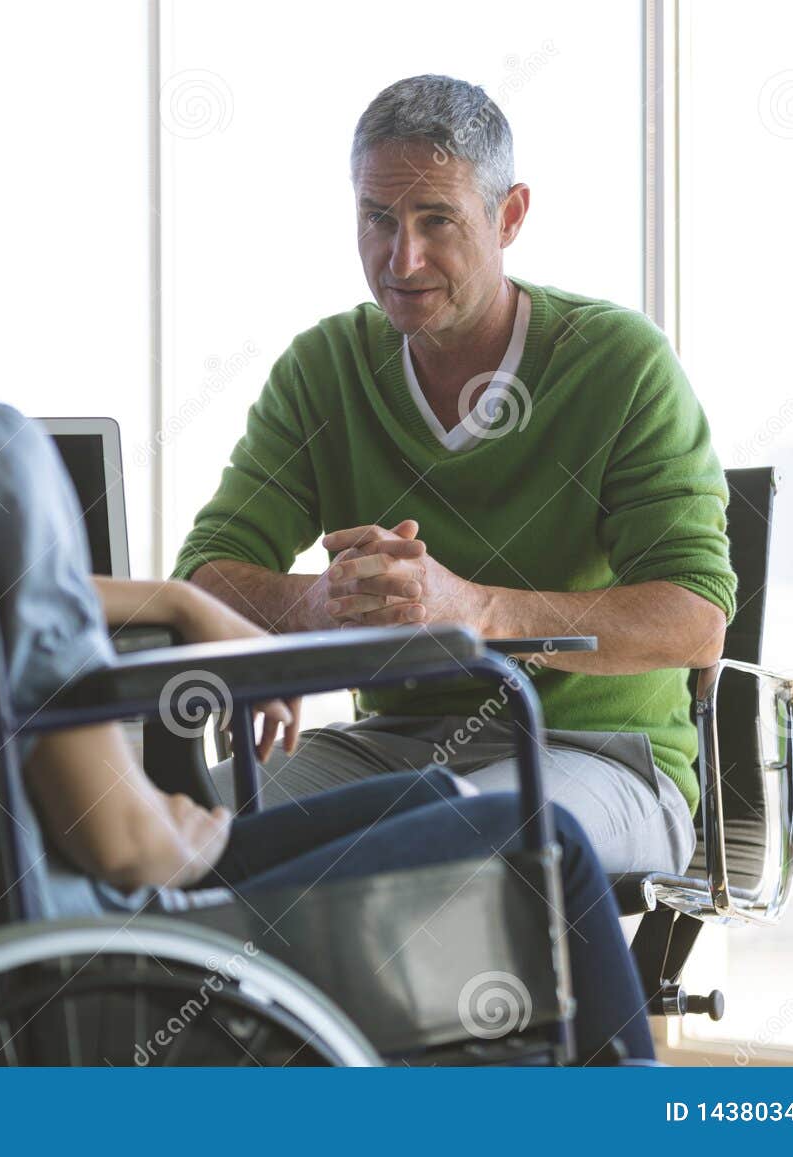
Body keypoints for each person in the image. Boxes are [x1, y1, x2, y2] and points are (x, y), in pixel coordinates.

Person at [0, 5, 652, 1063]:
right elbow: (125, 840)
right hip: (94, 966)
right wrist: (209, 830)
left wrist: (169, 598)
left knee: (417, 794)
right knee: (537, 838)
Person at [175, 75, 737, 876]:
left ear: (508, 216)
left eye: (437, 219)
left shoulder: (619, 363)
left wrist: (474, 609)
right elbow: (202, 576)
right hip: (391, 750)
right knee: (175, 831)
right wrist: (311, 608)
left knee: (448, 849)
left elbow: (694, 620)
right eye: (378, 219)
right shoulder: (323, 368)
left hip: (606, 760)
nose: (402, 258)